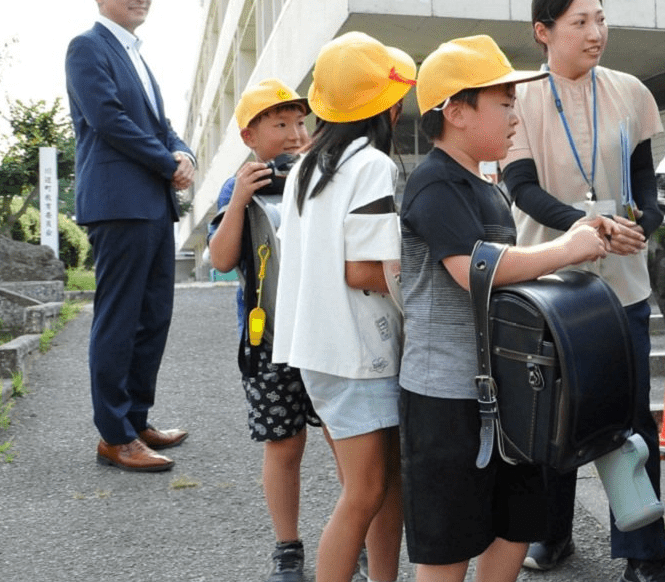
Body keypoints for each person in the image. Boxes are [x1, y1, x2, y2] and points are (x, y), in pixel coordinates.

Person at [399, 34, 608, 582]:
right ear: (456, 111)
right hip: (445, 396)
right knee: (447, 549)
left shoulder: (485, 185)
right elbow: (473, 269)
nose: (516, 116)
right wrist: (566, 249)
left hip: (505, 390)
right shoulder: (434, 182)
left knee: (515, 527)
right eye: (504, 103)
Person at [501, 0, 665, 582]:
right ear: (543, 32)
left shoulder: (629, 91)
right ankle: (552, 534)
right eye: (580, 22)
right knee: (551, 415)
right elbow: (521, 187)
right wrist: (586, 226)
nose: (596, 33)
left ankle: (645, 557)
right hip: (548, 283)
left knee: (632, 418)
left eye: (600, 19)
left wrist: (642, 222)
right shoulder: (519, 99)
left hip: (623, 282)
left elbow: (645, 181)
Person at [272, 32, 415, 582]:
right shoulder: (372, 165)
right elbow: (363, 270)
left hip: (318, 348)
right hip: (360, 350)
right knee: (366, 491)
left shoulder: (307, 167)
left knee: (382, 487)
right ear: (386, 108)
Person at [66, 0, 193, 472]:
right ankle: (114, 436)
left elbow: (161, 125)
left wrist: (183, 153)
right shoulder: (87, 47)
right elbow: (109, 120)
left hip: (153, 204)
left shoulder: (137, 55)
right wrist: (167, 163)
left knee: (153, 316)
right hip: (119, 203)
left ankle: (136, 420)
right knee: (119, 319)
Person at [207, 78, 323, 582]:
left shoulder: (319, 175)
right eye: (280, 124)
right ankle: (287, 548)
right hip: (268, 340)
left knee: (346, 439)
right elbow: (221, 259)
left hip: (324, 333)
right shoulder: (238, 185)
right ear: (249, 136)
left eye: (300, 122)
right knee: (284, 445)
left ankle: (357, 536)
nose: (295, 133)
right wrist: (238, 201)